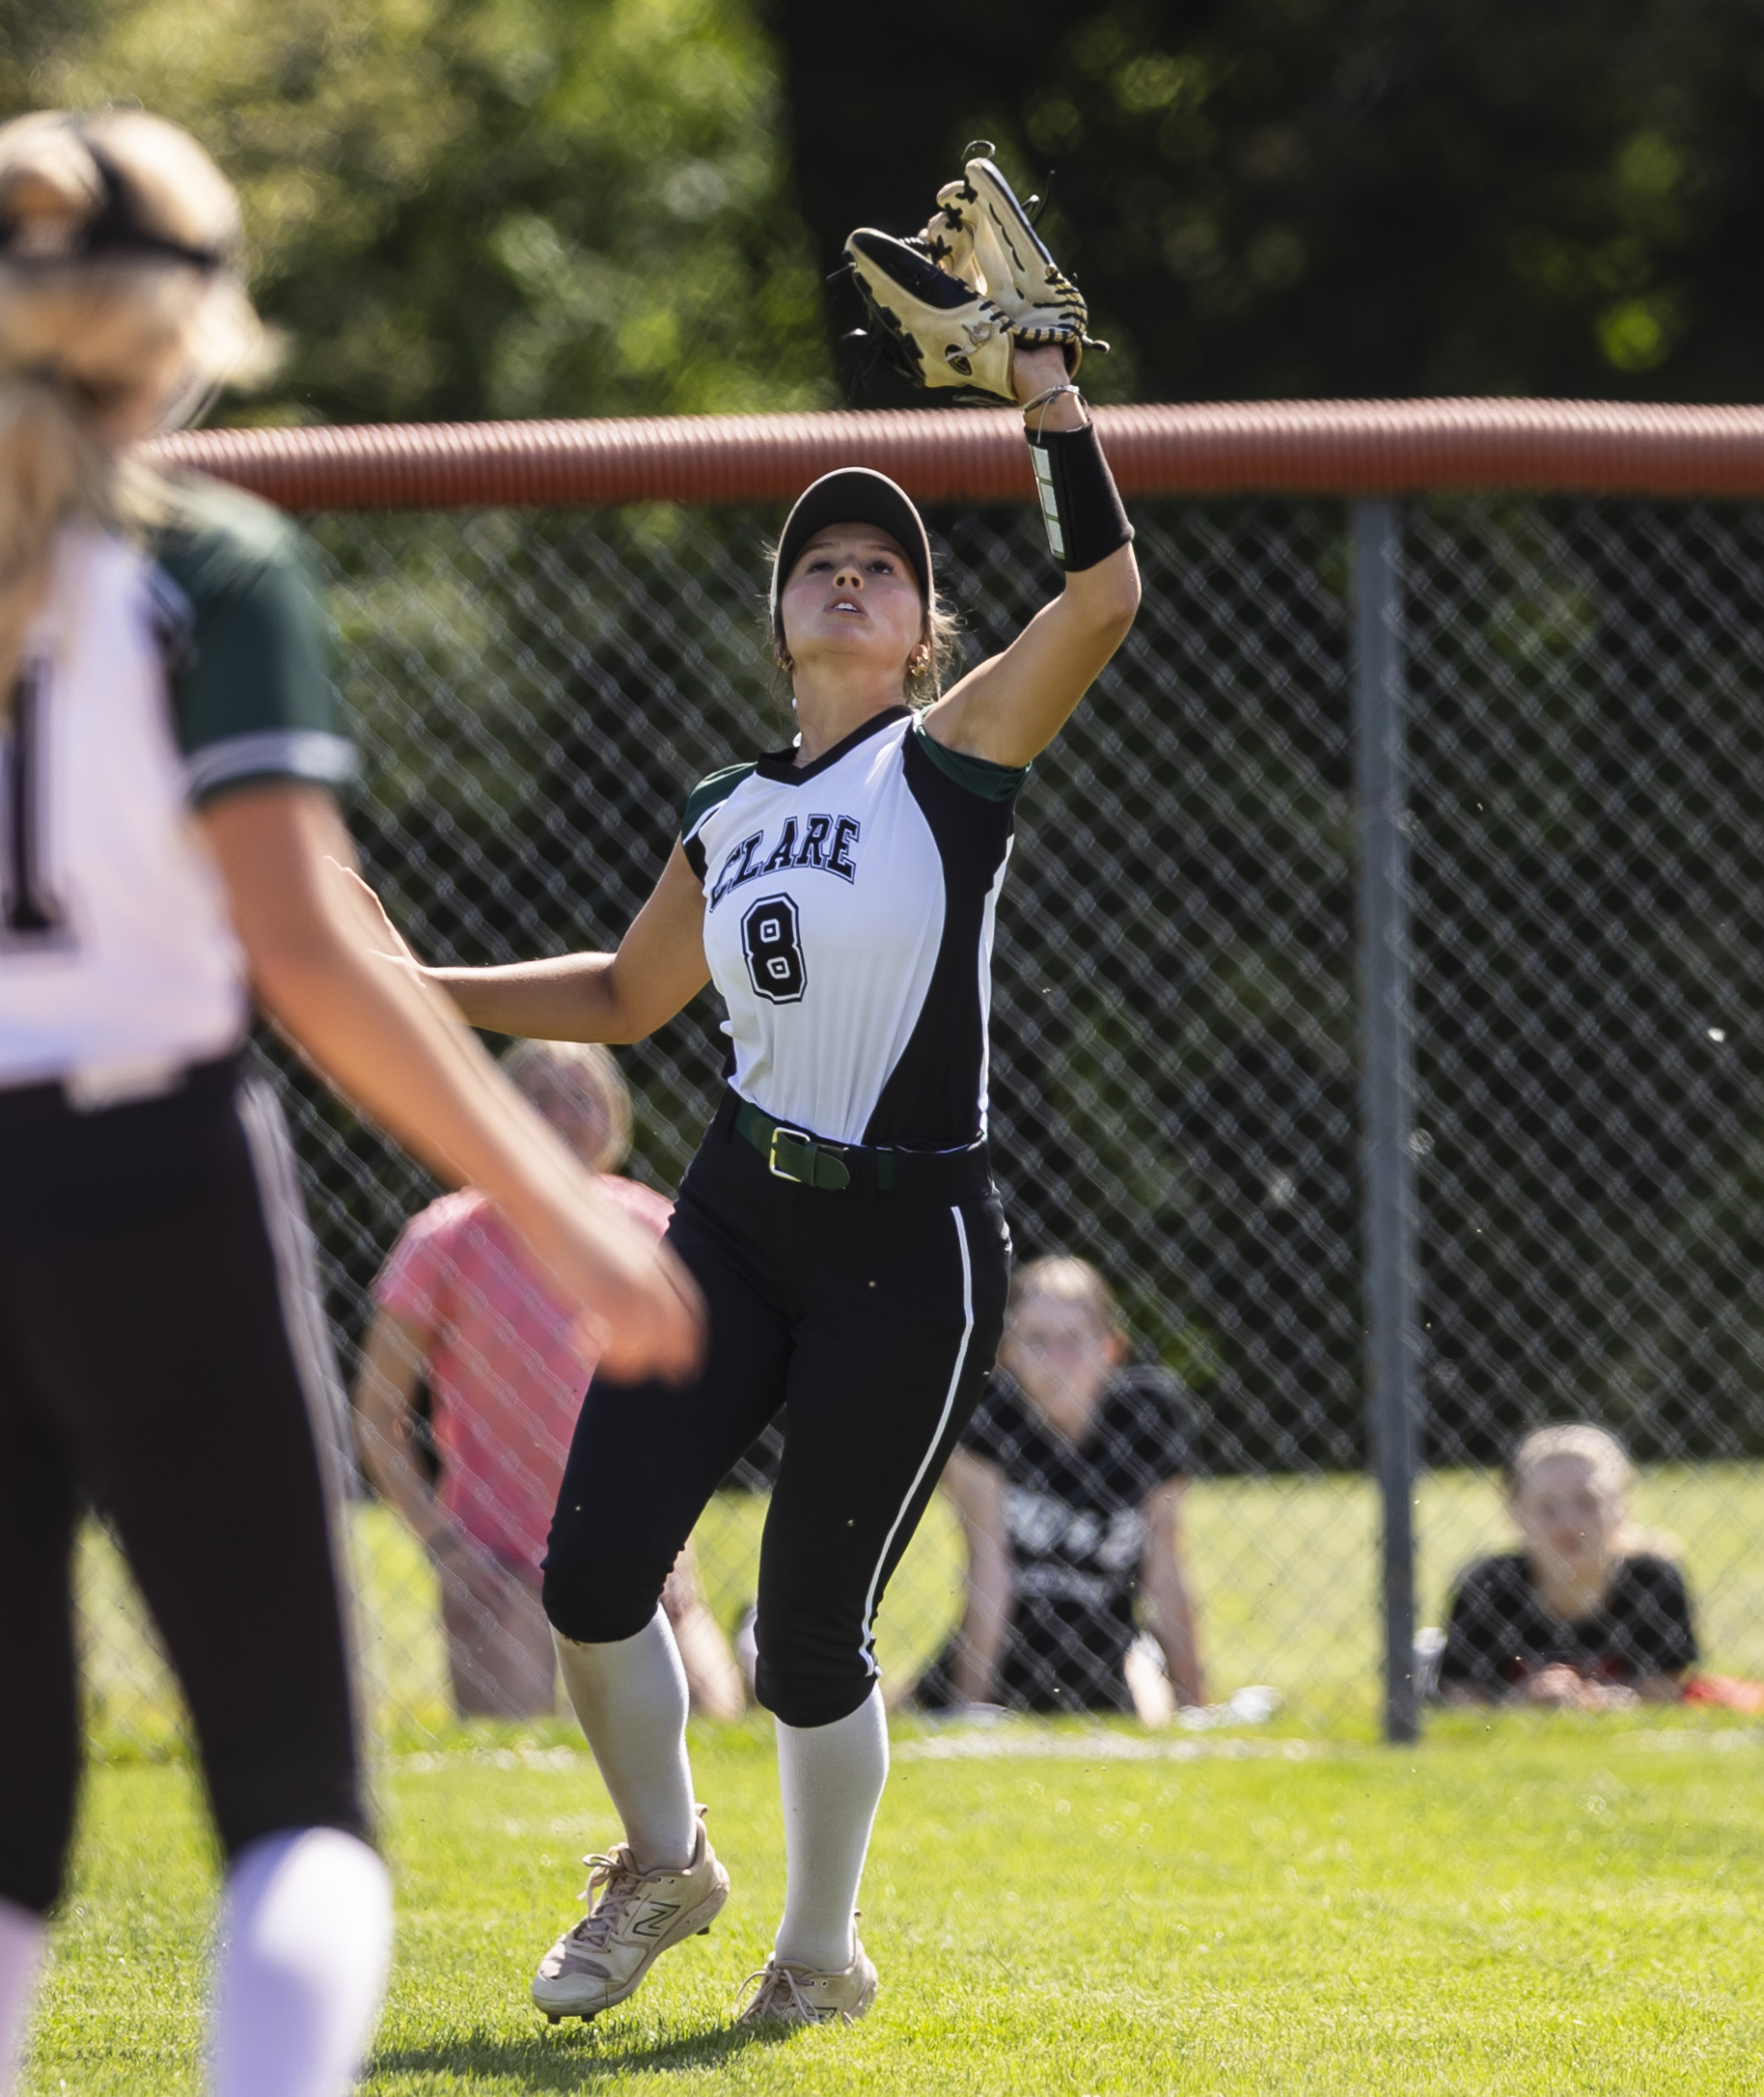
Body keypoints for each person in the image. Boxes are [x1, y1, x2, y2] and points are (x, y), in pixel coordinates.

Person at [0, 110, 701, 2097]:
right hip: (153, 1188)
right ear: (192, 326)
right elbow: (302, 957)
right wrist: (555, 1219)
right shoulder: (213, 567)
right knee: (298, 1807)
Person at [369, 190, 1144, 2025]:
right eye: (819, 562)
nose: (847, 574)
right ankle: (662, 1862)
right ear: (782, 615)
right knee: (586, 1568)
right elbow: (632, 998)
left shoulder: (949, 758)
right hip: (731, 1209)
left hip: (903, 1239)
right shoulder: (727, 808)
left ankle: (817, 1949)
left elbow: (1105, 593)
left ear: (921, 626)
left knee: (806, 1632)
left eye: (880, 564)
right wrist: (421, 993)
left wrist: (1043, 387)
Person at [353, 1041, 748, 1722]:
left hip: (635, 1543)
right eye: (537, 1094)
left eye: (582, 1097)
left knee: (708, 1728)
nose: (561, 1114)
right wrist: (445, 1546)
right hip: (497, 1560)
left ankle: (748, 1650)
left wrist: (669, 1534)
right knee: (511, 1749)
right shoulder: (444, 1238)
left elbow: (704, 1403)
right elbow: (376, 1413)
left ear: (613, 1121)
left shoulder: (654, 1229)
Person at [907, 1255, 1206, 1721]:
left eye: (1073, 1340)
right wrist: (973, 1707)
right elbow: (988, 1572)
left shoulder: (1150, 1415)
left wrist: (1196, 1706)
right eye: (1036, 1341)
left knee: (1155, 1710)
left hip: (1113, 1647)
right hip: (1006, 1642)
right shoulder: (985, 1417)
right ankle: (759, 1644)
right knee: (896, 1716)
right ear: (1006, 1351)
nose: (1055, 1362)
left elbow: (1165, 1572)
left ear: (1111, 1348)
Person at [1438, 1423, 1697, 1709]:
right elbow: (1458, 1690)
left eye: (1588, 1502)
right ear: (1516, 1512)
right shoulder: (1487, 1585)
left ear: (1622, 1507)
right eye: (1548, 1507)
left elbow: (1670, 1681)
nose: (1569, 1522)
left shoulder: (1653, 1578)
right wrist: (1520, 1701)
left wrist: (1616, 1701)